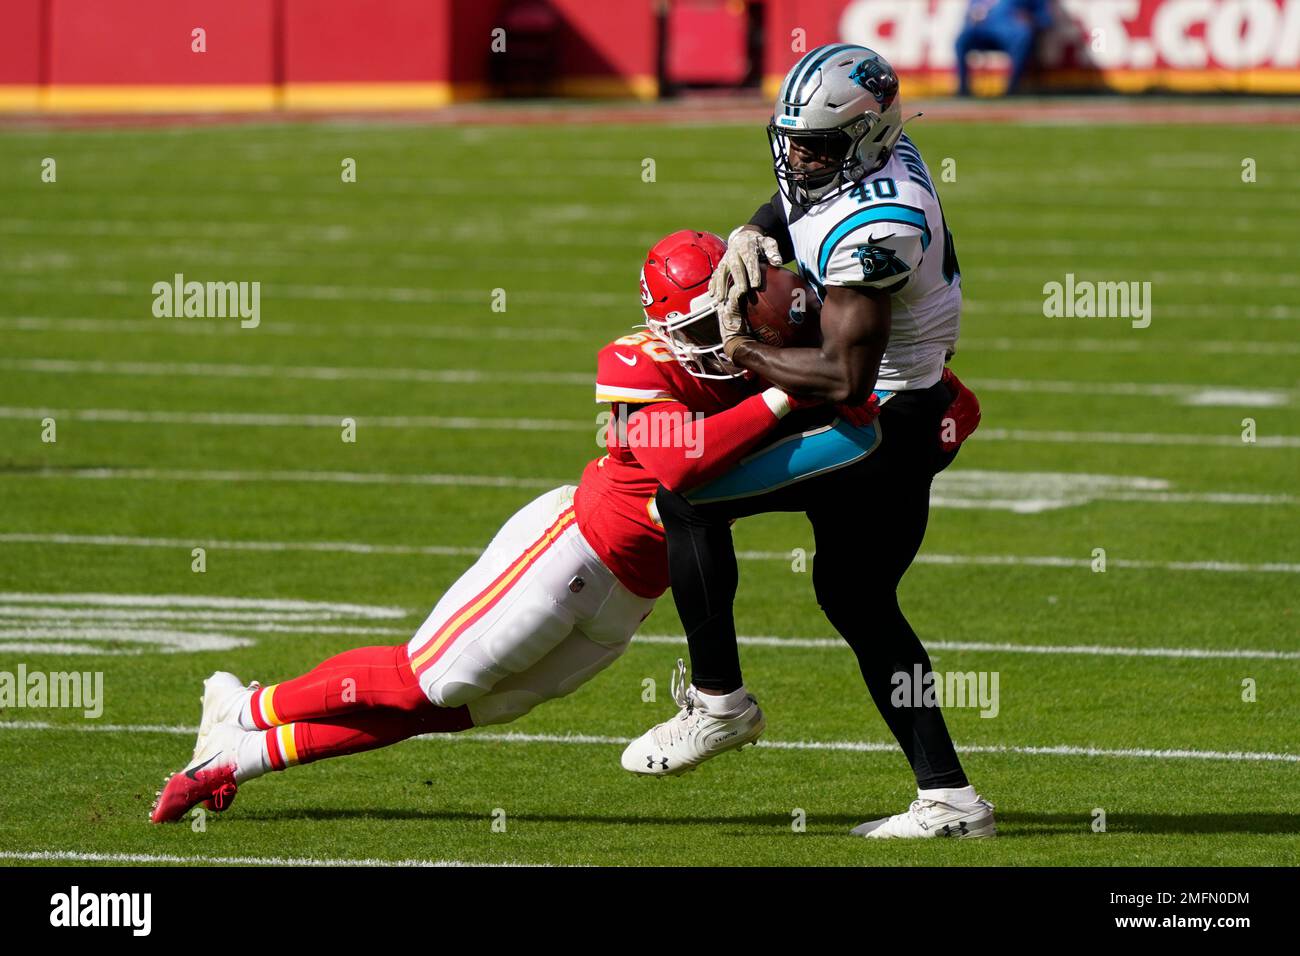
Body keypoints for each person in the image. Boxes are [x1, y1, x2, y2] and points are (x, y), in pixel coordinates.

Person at [149, 229, 858, 824]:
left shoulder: (770, 329)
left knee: (455, 708)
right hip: (570, 552)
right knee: (424, 679)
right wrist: (786, 390)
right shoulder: (637, 358)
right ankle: (247, 705)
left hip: (632, 598)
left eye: (722, 321)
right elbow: (679, 461)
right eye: (699, 330)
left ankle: (241, 755)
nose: (717, 342)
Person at [620, 45, 995, 839]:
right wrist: (755, 232)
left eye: (816, 145)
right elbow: (800, 198)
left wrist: (743, 352)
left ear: (863, 141)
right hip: (910, 410)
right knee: (859, 600)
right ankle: (951, 801)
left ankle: (720, 705)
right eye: (790, 138)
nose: (797, 156)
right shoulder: (871, 155)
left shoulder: (880, 225)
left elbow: (845, 378)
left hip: (878, 424)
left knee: (686, 498)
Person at [954, 0, 1053, 96]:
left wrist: (1031, 19)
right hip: (983, 31)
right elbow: (969, 14)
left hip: (1012, 35)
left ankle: (1012, 88)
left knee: (1023, 35)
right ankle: (963, 89)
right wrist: (973, 15)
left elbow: (1045, 19)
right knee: (962, 40)